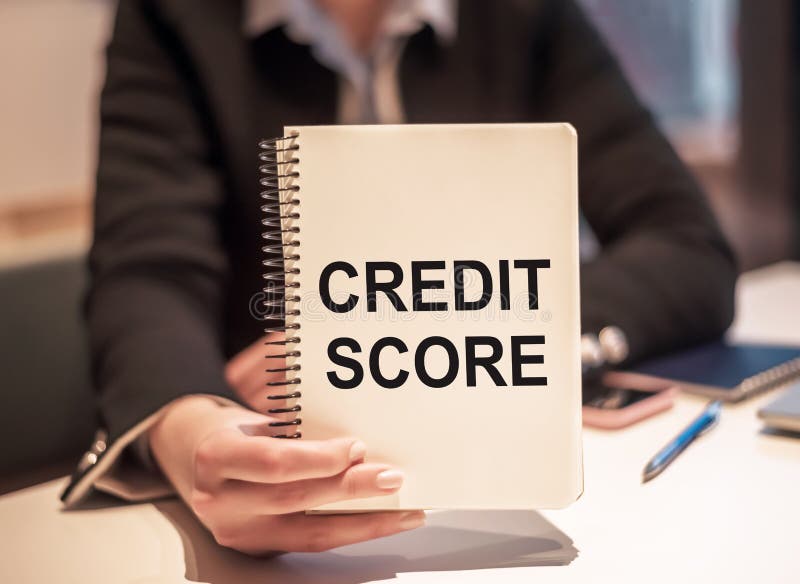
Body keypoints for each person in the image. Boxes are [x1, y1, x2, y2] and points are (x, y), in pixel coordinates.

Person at [61, 0, 737, 556]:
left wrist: (495, 334)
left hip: (493, 504)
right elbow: (148, 273)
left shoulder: (524, 15)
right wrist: (188, 431)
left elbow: (686, 244)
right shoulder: (173, 16)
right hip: (277, 483)